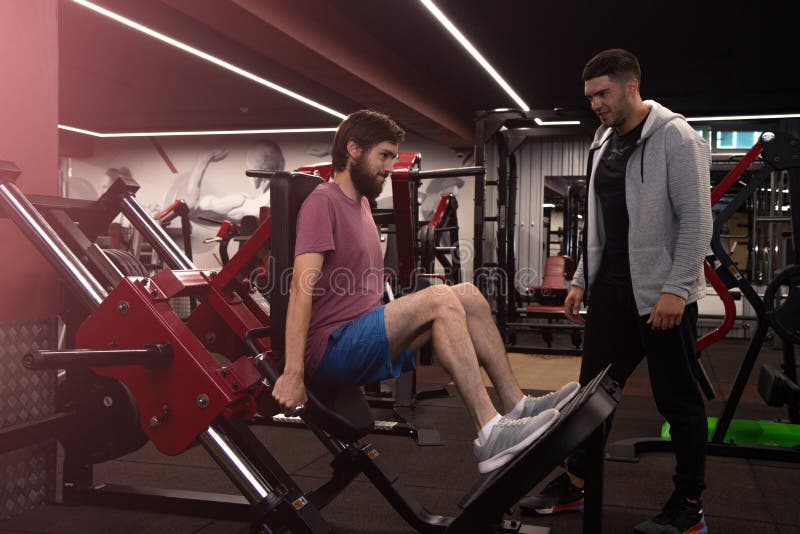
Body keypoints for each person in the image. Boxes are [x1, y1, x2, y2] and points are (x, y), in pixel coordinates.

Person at [271, 109, 580, 473]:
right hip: (332, 348)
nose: (389, 166)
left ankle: (515, 405)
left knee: (467, 293)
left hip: (362, 333)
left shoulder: (364, 204)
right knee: (439, 299)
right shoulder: (323, 202)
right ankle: (489, 431)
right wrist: (292, 373)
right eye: (384, 155)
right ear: (353, 149)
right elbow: (300, 288)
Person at [519, 49, 712, 533]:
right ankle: (577, 483)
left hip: (661, 297)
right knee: (591, 396)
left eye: (603, 94)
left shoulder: (675, 137)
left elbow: (697, 220)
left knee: (678, 400)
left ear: (631, 86)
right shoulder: (602, 141)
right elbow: (598, 223)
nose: (596, 105)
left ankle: (689, 503)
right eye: (590, 97)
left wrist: (676, 288)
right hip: (610, 292)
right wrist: (582, 277)